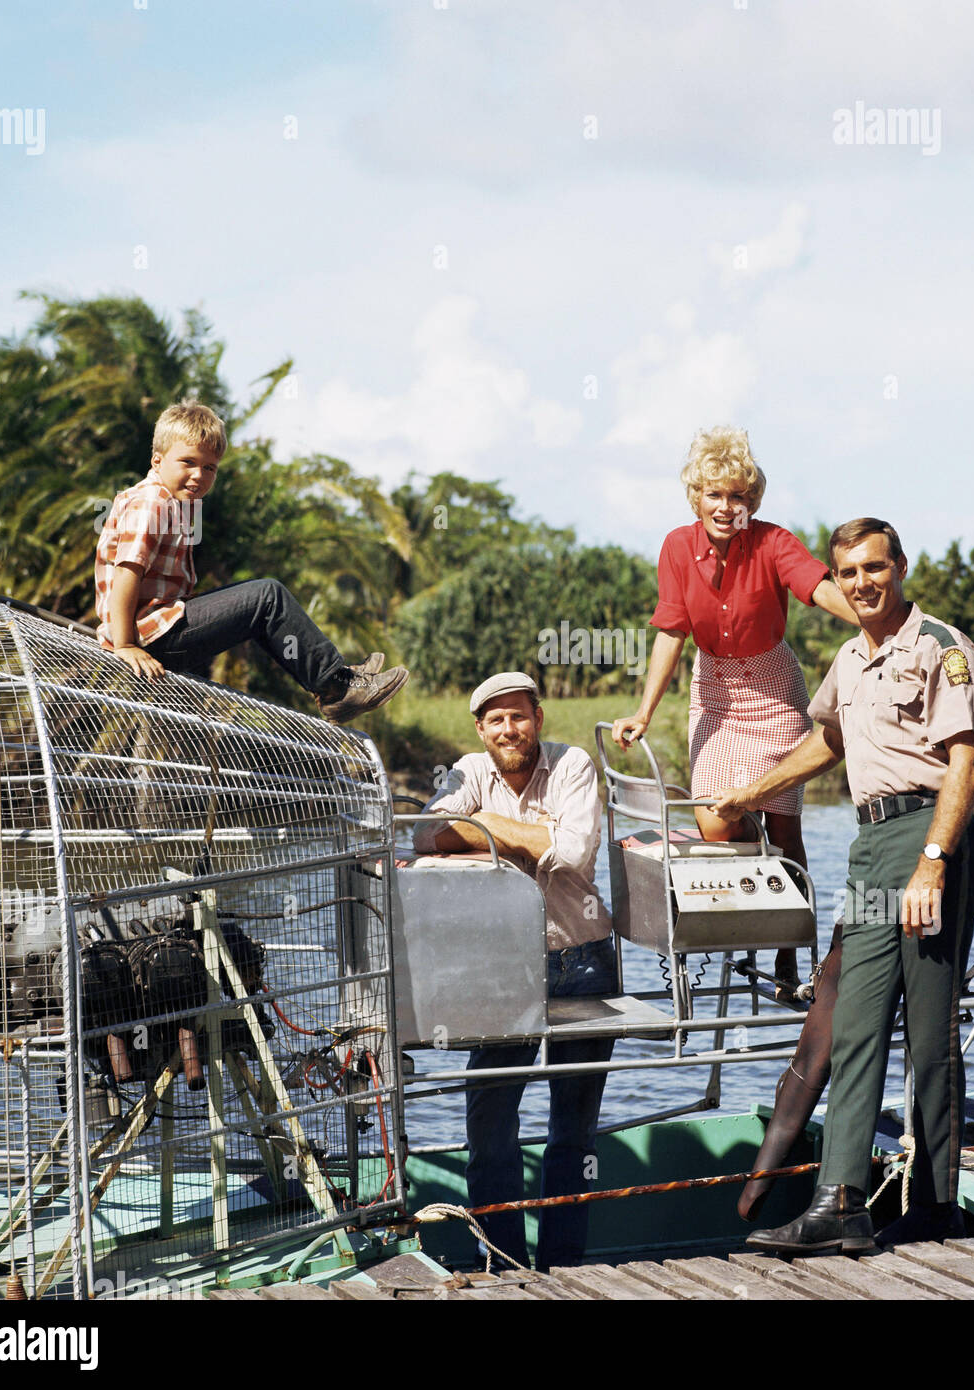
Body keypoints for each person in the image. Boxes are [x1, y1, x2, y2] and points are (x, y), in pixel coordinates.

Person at [712, 518, 974, 1255]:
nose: (862, 583)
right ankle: (840, 1202)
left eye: (875, 568)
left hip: (928, 834)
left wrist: (934, 860)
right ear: (835, 581)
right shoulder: (850, 656)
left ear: (900, 567)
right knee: (858, 1021)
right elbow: (828, 740)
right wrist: (752, 791)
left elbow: (966, 762)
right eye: (848, 573)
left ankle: (936, 1206)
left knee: (929, 1033)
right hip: (870, 846)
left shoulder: (939, 645)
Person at [612, 426, 858, 1005]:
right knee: (718, 818)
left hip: (773, 685)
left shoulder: (773, 542)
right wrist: (645, 712)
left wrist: (876, 618)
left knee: (788, 822)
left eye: (739, 497)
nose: (728, 508)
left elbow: (819, 588)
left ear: (754, 503)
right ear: (696, 497)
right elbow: (672, 631)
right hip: (716, 690)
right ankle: (764, 870)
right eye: (716, 495)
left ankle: (791, 954)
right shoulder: (677, 547)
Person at [413, 672, 616, 1271]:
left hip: (582, 961)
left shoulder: (573, 764)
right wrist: (509, 831)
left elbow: (574, 851)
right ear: (480, 730)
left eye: (519, 716)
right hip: (500, 971)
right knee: (491, 1120)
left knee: (574, 1131)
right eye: (495, 720)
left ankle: (564, 1264)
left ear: (539, 718)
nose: (509, 729)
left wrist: (481, 831)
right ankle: (503, 1262)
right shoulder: (469, 771)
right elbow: (426, 833)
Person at [94, 400, 408, 724]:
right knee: (267, 598)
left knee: (260, 601)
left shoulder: (172, 503)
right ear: (157, 461)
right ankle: (335, 688)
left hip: (163, 627)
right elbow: (126, 573)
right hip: (150, 635)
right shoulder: (152, 502)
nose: (198, 476)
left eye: (209, 468)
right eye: (187, 462)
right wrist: (126, 644)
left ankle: (336, 678)